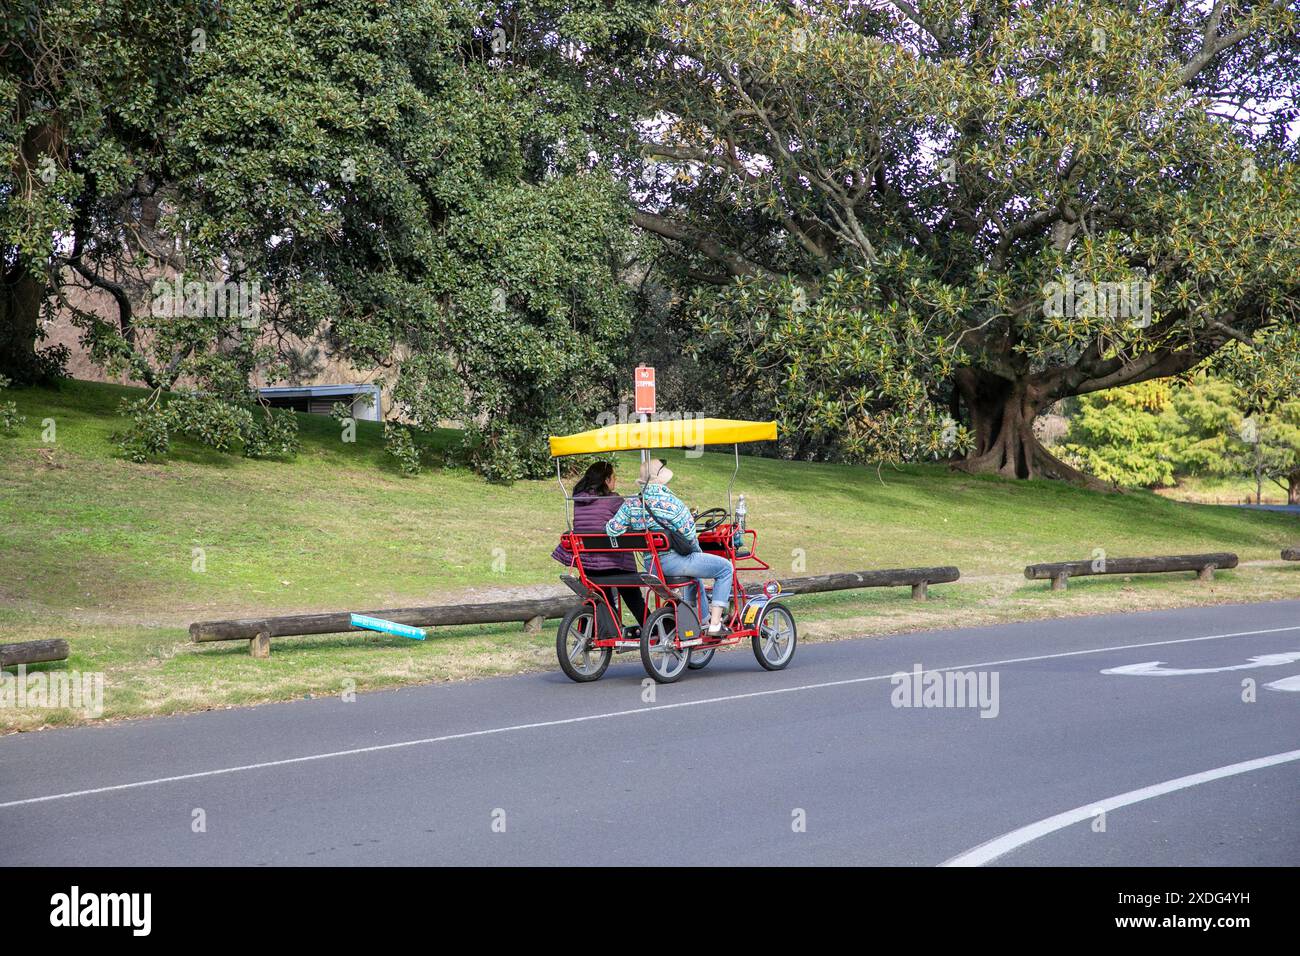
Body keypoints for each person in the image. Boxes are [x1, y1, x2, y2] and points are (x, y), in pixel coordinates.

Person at [604, 458, 734, 637]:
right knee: (726, 568)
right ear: (662, 479)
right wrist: (698, 554)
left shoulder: (631, 504)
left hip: (650, 566)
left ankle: (702, 620)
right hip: (675, 562)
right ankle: (715, 624)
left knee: (695, 579)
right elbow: (689, 536)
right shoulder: (673, 503)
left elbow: (612, 529)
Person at [551, 461, 647, 631]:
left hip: (588, 566)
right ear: (607, 480)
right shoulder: (613, 500)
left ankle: (612, 629)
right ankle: (654, 628)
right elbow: (632, 523)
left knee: (603, 596)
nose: (615, 482)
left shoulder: (579, 500)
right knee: (633, 596)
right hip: (616, 565)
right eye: (614, 478)